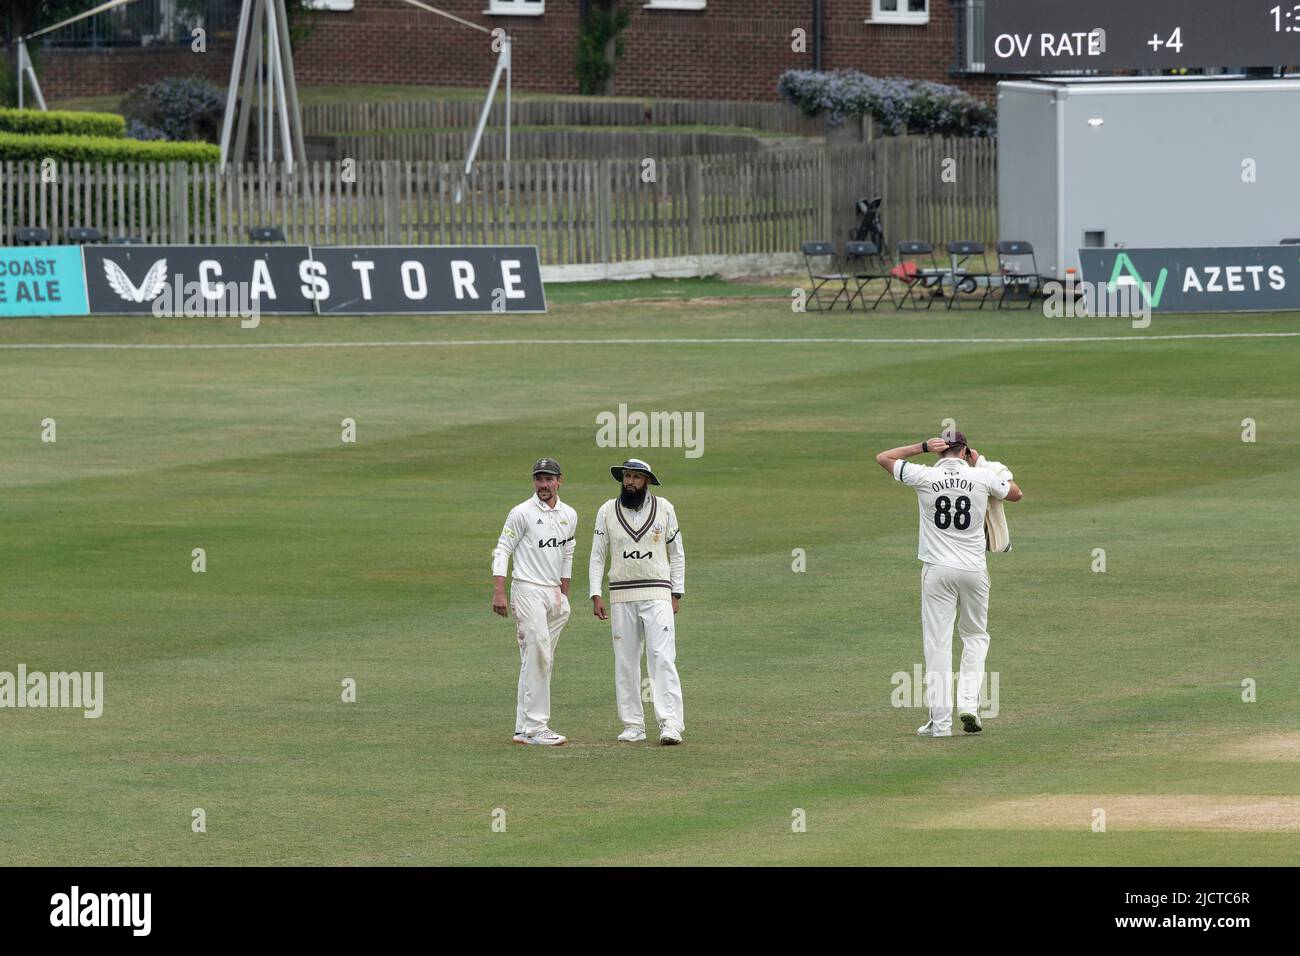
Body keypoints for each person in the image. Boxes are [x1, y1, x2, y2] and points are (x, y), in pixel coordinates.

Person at [876, 432, 1023, 737]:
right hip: (974, 570)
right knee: (975, 637)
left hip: (937, 570)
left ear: (940, 451)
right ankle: (968, 703)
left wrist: (922, 447)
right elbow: (1016, 493)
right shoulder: (982, 476)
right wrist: (978, 459)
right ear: (964, 450)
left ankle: (941, 725)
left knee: (938, 644)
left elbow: (884, 458)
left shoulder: (925, 475)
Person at [589, 458, 686, 745]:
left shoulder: (665, 508)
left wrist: (676, 593)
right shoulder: (607, 511)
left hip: (657, 593)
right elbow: (597, 554)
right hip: (621, 594)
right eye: (626, 477)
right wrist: (596, 593)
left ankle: (670, 723)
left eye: (636, 477)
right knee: (626, 661)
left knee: (661, 657)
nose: (629, 482)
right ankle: (633, 724)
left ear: (646, 481)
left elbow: (677, 553)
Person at [491, 458, 577, 746]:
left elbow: (568, 553)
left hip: (553, 595)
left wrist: (563, 592)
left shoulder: (569, 514)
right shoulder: (521, 513)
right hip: (526, 589)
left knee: (535, 660)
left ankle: (522, 727)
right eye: (539, 479)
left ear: (559, 481)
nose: (543, 484)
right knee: (539, 656)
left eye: (548, 479)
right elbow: (502, 549)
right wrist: (499, 591)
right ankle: (537, 727)